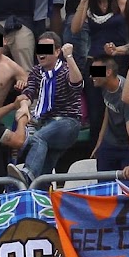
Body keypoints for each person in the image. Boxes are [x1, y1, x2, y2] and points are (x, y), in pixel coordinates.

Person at [16, 34, 84, 181]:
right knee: (44, 173)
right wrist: (24, 106)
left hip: (68, 122)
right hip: (46, 123)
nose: (41, 53)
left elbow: (77, 84)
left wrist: (69, 56)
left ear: (57, 51)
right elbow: (29, 92)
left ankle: (27, 174)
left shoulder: (65, 69)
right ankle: (36, 188)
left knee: (38, 138)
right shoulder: (36, 71)